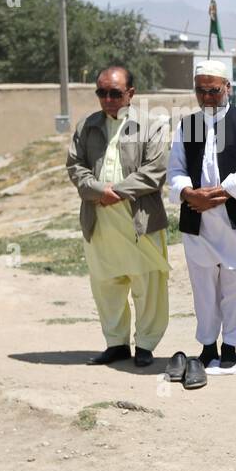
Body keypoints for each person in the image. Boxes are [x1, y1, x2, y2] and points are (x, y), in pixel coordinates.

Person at [166, 60, 236, 372]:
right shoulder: (189, 124)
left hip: (235, 216)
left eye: (213, 90)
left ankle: (231, 347)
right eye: (201, 91)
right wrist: (189, 194)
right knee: (204, 284)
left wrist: (221, 193)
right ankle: (208, 346)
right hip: (199, 217)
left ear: (228, 88)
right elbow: (176, 168)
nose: (207, 97)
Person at [66, 65, 171, 367]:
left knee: (148, 283)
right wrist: (98, 190)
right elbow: (75, 166)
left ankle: (147, 345)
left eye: (114, 93)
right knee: (106, 283)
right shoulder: (87, 125)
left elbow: (155, 170)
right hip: (99, 219)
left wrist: (117, 192)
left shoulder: (151, 125)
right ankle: (116, 344)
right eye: (102, 92)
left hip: (138, 218)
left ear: (130, 93)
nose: (107, 99)